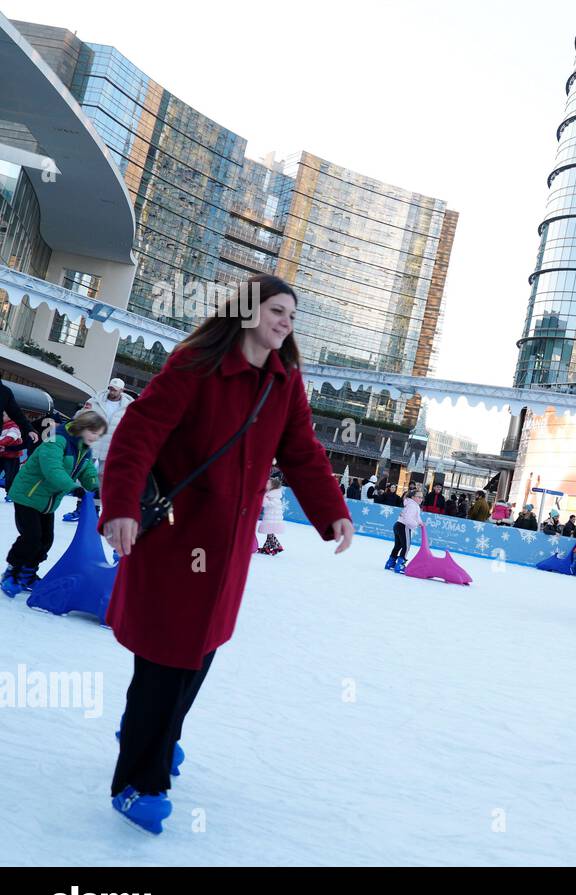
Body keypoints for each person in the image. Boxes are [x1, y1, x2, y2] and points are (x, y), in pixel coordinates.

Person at [99, 274, 353, 834]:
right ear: (247, 311)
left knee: (201, 650)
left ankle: (156, 734)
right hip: (175, 538)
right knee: (166, 658)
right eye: (277, 310)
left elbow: (303, 451)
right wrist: (119, 505)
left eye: (292, 315)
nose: (286, 322)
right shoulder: (197, 364)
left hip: (227, 551)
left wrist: (332, 509)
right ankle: (138, 781)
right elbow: (139, 432)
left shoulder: (284, 382)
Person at [1, 409, 105, 596]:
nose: (96, 438)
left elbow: (87, 471)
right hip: (28, 495)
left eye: (99, 435)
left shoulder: (84, 449)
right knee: (31, 537)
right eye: (94, 433)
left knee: (46, 540)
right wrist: (73, 487)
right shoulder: (56, 440)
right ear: (83, 427)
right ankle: (12, 572)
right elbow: (52, 469)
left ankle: (28, 573)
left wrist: (94, 487)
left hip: (48, 500)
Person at [385, 486, 422, 573]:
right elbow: (408, 518)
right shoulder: (413, 506)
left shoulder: (410, 504)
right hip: (404, 526)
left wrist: (420, 522)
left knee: (398, 546)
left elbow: (416, 516)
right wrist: (416, 524)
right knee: (407, 546)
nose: (421, 499)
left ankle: (390, 562)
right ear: (413, 497)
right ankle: (400, 565)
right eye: (419, 497)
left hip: (398, 525)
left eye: (422, 497)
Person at [256, 470, 286, 555]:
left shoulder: (274, 496)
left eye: (268, 484)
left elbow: (267, 504)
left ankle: (278, 546)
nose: (266, 485)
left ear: (273, 487)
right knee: (269, 534)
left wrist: (264, 498)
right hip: (271, 518)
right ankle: (266, 547)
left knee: (270, 534)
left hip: (273, 520)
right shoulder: (271, 495)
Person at [0, 415, 23, 500]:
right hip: (2, 454)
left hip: (12, 456)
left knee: (11, 476)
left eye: (3, 415)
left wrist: (1, 443)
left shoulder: (14, 426)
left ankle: (11, 494)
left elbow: (10, 438)